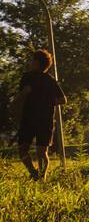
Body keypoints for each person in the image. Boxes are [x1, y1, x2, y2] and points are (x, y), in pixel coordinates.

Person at [14, 48, 66, 182]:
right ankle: (36, 174)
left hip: (38, 119)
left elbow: (62, 99)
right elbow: (62, 99)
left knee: (32, 150)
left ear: (37, 62)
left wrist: (14, 102)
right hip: (34, 119)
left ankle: (39, 176)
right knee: (31, 150)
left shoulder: (40, 78)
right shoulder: (39, 78)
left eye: (32, 60)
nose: (30, 63)